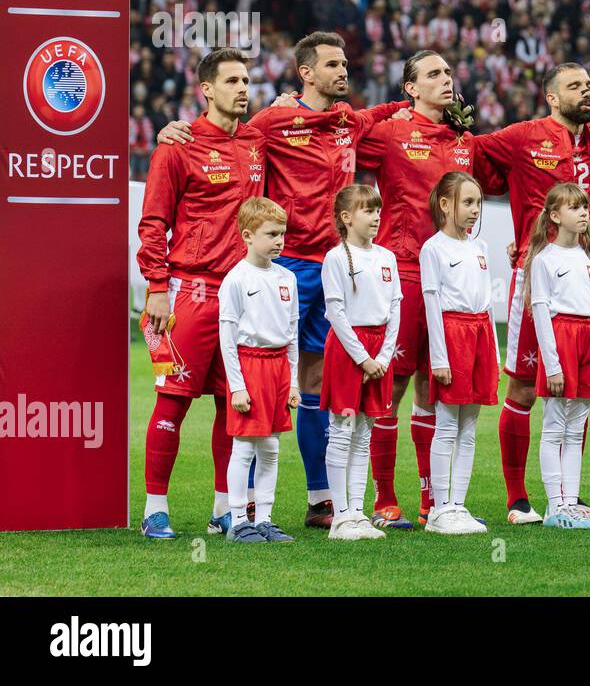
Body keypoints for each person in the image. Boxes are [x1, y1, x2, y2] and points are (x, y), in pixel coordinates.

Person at [156, 31, 412, 528]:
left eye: (345, 63)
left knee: (317, 385)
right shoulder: (272, 122)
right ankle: (244, 505)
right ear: (306, 73)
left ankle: (320, 499)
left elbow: (377, 113)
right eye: (333, 64)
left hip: (334, 265)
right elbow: (224, 134)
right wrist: (175, 129)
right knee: (262, 379)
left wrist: (409, 105)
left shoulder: (348, 120)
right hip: (285, 265)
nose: (343, 71)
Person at [473, 62, 590, 526]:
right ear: (552, 97)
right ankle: (517, 500)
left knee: (578, 391)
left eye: (589, 84)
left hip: (584, 279)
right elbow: (468, 153)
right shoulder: (522, 136)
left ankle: (568, 498)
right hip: (536, 277)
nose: (586, 91)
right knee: (522, 387)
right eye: (574, 86)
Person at [137, 48, 267, 539]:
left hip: (244, 295)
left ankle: (224, 510)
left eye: (246, 80)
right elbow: (153, 222)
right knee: (172, 401)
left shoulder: (256, 141)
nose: (242, 88)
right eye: (232, 81)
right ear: (206, 89)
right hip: (189, 294)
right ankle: (154, 510)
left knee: (233, 405)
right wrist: (156, 287)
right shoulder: (177, 146)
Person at [355, 50, 475, 528]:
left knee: (434, 384)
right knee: (394, 380)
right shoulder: (391, 133)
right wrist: (291, 106)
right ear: (410, 88)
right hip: (403, 271)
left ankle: (431, 498)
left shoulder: (464, 139)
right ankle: (384, 498)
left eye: (448, 72)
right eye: (433, 74)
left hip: (452, 276)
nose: (446, 79)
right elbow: (337, 139)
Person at [524, 183, 590, 529]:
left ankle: (571, 504)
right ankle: (555, 505)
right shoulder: (544, 260)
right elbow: (541, 312)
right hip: (562, 340)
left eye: (584, 207)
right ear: (555, 216)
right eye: (574, 208)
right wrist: (552, 365)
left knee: (576, 430)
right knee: (554, 427)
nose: (583, 213)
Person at [217, 197, 300, 543]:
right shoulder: (236, 279)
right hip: (250, 366)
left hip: (279, 368)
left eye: (282, 233)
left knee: (271, 447)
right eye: (271, 234)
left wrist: (293, 382)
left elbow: (292, 333)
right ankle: (238, 520)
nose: (279, 240)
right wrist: (237, 385)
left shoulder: (287, 278)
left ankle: (264, 518)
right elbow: (227, 337)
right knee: (244, 448)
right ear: (248, 236)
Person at [321, 184, 399, 540]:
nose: (376, 217)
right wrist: (363, 359)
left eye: (378, 210)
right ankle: (340, 517)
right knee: (342, 431)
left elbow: (395, 308)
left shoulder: (387, 257)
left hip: (378, 351)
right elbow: (335, 312)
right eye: (368, 211)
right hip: (348, 350)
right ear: (346, 217)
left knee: (364, 433)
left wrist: (383, 356)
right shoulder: (336, 258)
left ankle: (357, 512)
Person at [420, 171, 496, 535]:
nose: (475, 210)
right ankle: (439, 509)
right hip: (452, 335)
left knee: (470, 426)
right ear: (445, 204)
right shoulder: (433, 249)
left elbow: (489, 302)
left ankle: (458, 504)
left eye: (478, 203)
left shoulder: (480, 248)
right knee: (447, 424)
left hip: (480, 335)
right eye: (467, 202)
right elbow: (432, 304)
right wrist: (439, 357)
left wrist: (493, 354)